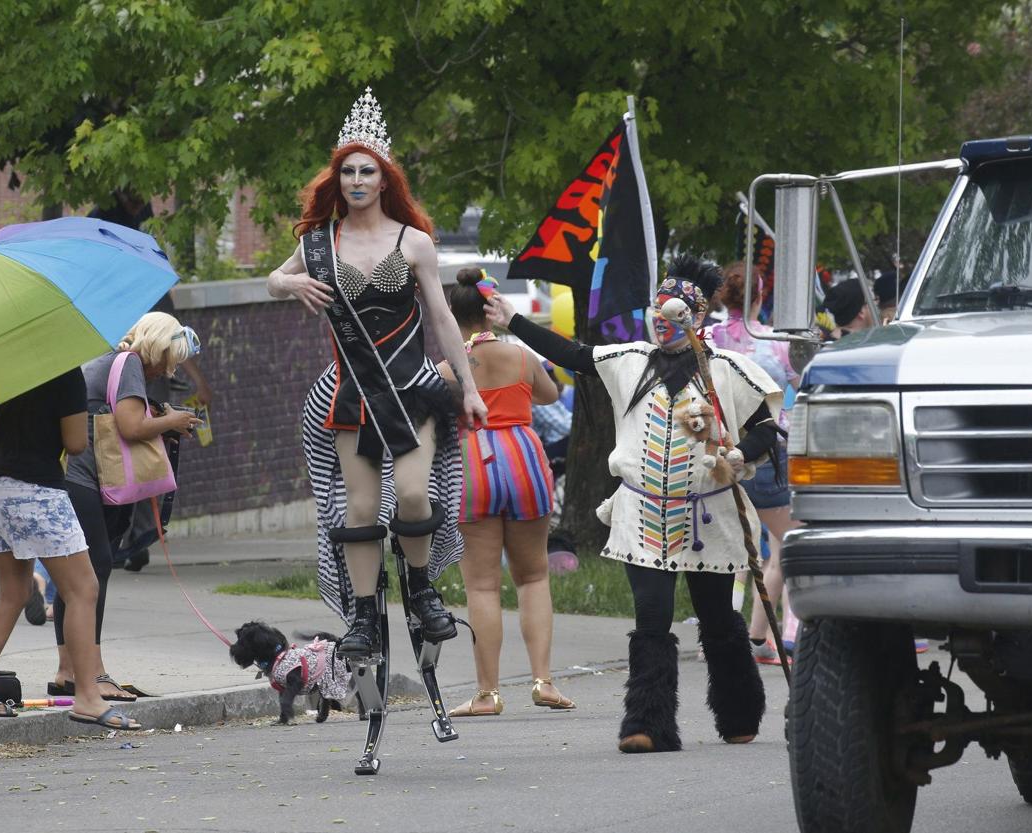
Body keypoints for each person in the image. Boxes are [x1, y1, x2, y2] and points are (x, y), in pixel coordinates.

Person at [485, 255, 781, 753]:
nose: (661, 324)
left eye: (674, 316)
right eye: (656, 315)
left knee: (716, 618)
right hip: (643, 513)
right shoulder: (628, 361)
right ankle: (647, 724)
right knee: (651, 617)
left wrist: (736, 454)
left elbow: (767, 429)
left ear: (699, 318)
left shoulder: (727, 370)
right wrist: (510, 320)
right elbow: (575, 354)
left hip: (708, 516)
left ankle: (738, 714)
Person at [267, 87, 487, 659]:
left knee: (413, 497)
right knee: (360, 509)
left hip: (412, 389)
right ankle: (365, 617)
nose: (357, 181)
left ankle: (420, 587)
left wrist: (467, 389)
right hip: (351, 392)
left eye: (367, 171)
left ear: (385, 179)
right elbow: (273, 278)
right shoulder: (319, 243)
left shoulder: (413, 241)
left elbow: (440, 316)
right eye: (348, 172)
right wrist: (290, 283)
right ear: (337, 181)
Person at [0, 368, 140, 729]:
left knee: (11, 595)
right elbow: (75, 444)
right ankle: (88, 697)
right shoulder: (66, 375)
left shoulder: (5, 368)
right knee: (84, 589)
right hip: (37, 493)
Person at [437, 269, 573, 716]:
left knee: (481, 585)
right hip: (524, 459)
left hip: (472, 462)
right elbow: (551, 396)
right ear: (490, 312)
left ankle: (488, 692)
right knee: (533, 576)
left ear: (452, 315)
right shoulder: (520, 357)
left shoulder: (444, 369)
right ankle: (544, 681)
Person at [51, 312, 201, 700]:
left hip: (74, 476)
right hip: (86, 478)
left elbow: (114, 414)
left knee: (76, 577)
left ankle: (68, 670)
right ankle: (94, 673)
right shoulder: (131, 362)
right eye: (168, 360)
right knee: (94, 571)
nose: (165, 371)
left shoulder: (108, 358)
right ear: (156, 345)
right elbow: (131, 426)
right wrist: (174, 420)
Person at [89, 194, 214, 573]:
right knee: (139, 450)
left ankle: (132, 535)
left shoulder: (128, 290)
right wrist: (174, 416)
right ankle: (131, 534)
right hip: (127, 381)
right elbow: (166, 344)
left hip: (125, 382)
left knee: (137, 451)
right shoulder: (134, 344)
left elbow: (171, 343)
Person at [708, 262, 802, 664]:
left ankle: (731, 635)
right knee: (788, 543)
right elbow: (801, 387)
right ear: (762, 295)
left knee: (727, 548)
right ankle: (787, 634)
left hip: (715, 450)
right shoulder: (776, 343)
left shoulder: (708, 339)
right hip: (766, 450)